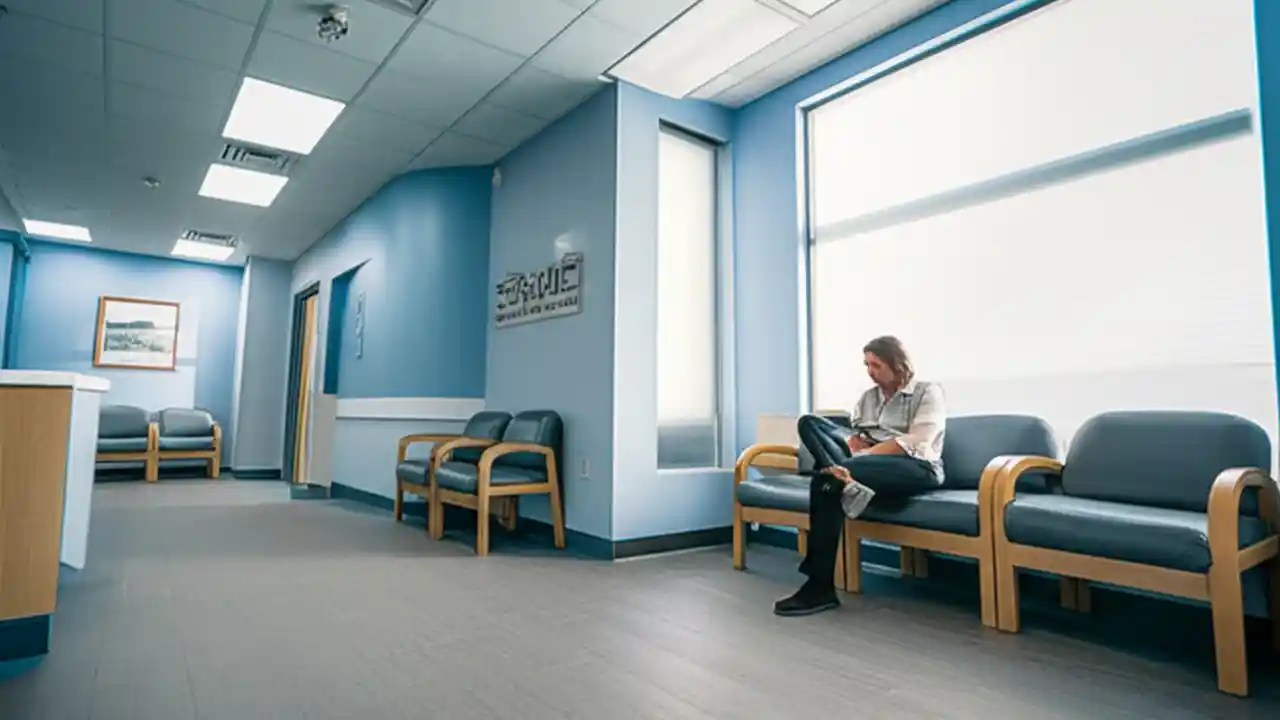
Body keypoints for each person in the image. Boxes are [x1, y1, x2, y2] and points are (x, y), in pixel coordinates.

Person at [774, 336, 946, 616]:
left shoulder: (927, 392)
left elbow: (920, 439)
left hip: (915, 465)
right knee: (810, 423)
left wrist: (866, 455)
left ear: (896, 363)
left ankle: (819, 587)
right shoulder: (869, 397)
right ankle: (845, 477)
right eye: (866, 364)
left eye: (876, 365)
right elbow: (860, 431)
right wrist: (856, 441)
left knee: (827, 479)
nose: (870, 371)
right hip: (866, 462)